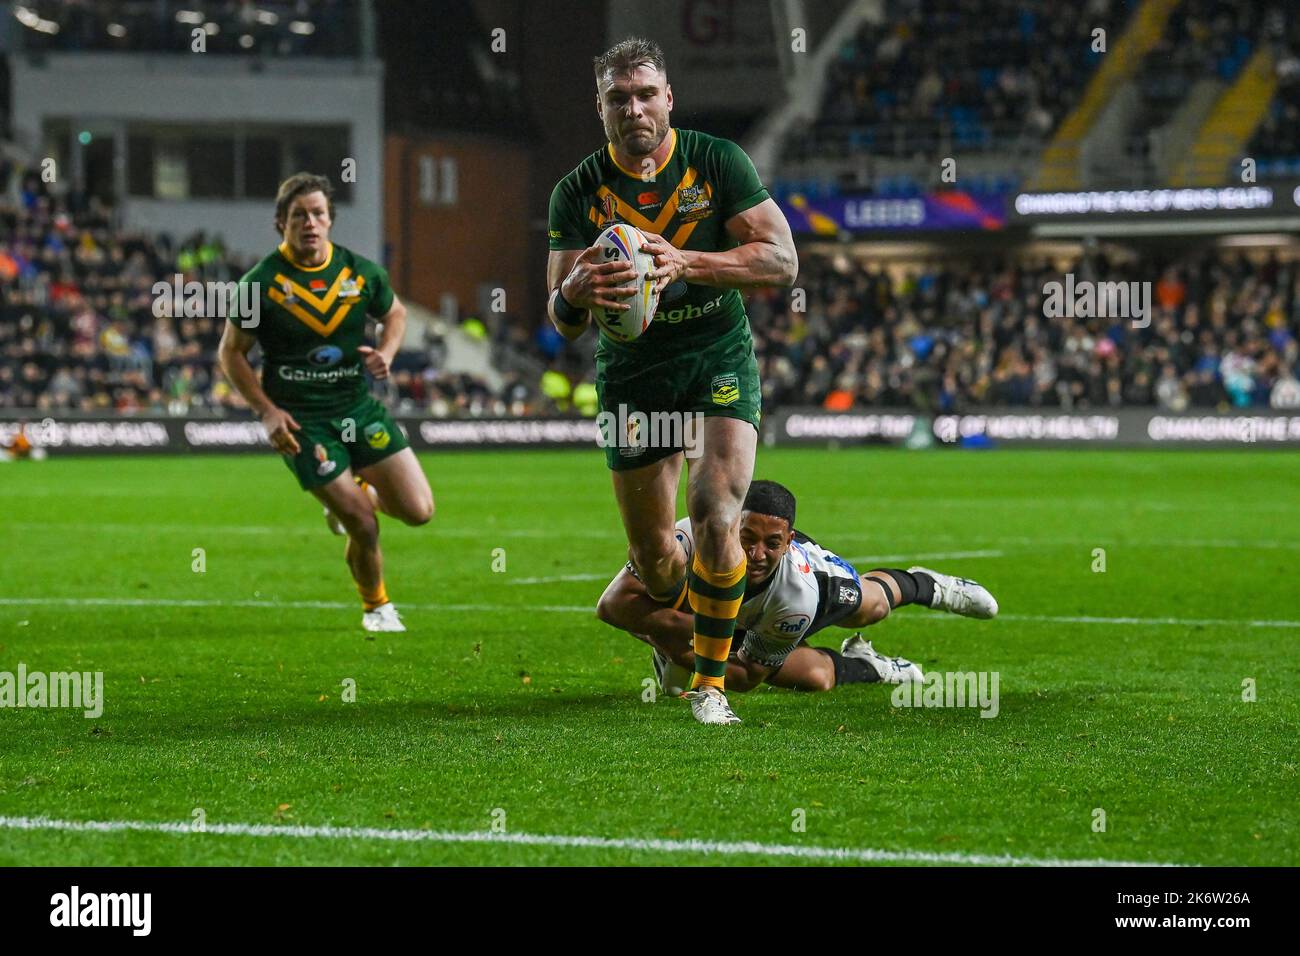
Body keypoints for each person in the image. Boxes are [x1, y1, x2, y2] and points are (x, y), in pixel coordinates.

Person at [547, 38, 798, 724]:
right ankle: (681, 617)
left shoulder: (717, 161)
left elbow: (781, 262)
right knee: (657, 566)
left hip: (717, 353)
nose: (634, 107)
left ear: (669, 99)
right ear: (599, 108)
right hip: (632, 375)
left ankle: (709, 688)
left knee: (719, 508)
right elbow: (562, 319)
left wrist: (685, 262)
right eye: (618, 97)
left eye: (645, 93)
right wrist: (573, 289)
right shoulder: (577, 192)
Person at [217, 173, 433, 633]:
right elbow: (230, 353)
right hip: (303, 423)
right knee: (363, 524)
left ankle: (360, 493)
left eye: (318, 214)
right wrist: (266, 410)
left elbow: (395, 313)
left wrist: (387, 354)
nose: (310, 223)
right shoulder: (261, 285)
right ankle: (376, 607)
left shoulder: (360, 274)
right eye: (299, 215)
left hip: (358, 408)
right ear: (281, 223)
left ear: (331, 221)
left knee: (419, 511)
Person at [596, 480, 999, 698]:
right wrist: (684, 640)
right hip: (727, 616)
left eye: (771, 544)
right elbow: (612, 606)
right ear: (731, 526)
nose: (756, 555)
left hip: (789, 601)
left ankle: (930, 585)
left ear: (788, 543)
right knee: (816, 677)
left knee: (870, 607)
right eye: (746, 539)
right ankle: (874, 667)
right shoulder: (692, 539)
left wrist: (673, 642)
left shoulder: (800, 593)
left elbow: (746, 676)